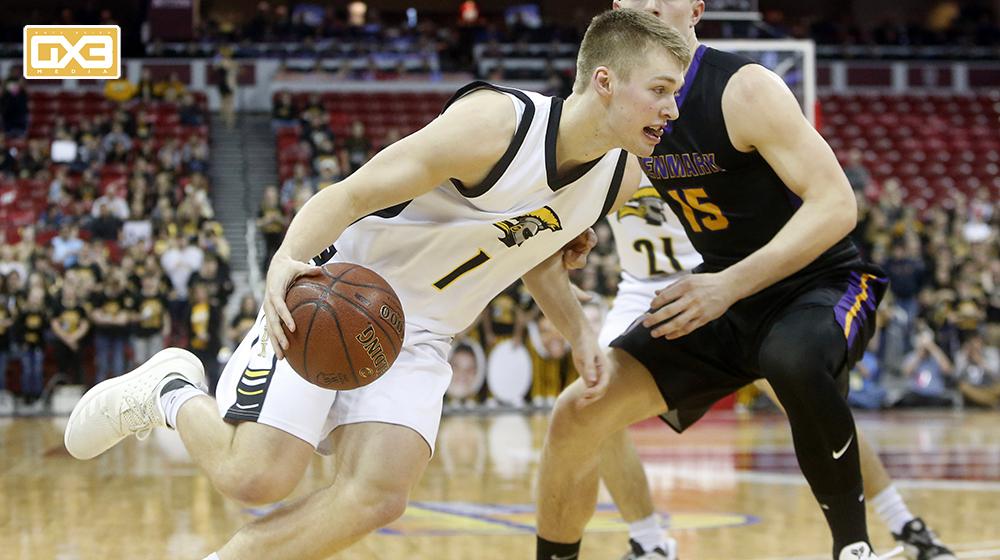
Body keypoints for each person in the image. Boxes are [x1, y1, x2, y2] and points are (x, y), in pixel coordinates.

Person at [63, 10, 690, 559]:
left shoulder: (619, 178)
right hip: (345, 290)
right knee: (255, 478)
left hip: (425, 333)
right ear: (604, 83)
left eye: (677, 92)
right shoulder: (495, 125)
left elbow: (532, 249)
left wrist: (581, 334)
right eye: (660, 90)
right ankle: (169, 389)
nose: (673, 108)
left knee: (380, 495)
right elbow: (354, 191)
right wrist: (288, 257)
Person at [534, 1, 921, 559]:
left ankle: (856, 547)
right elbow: (577, 203)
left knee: (793, 362)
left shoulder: (744, 89)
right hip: (718, 295)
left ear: (696, 6)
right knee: (579, 412)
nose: (645, 6)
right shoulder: (624, 106)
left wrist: (729, 285)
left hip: (818, 283)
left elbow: (838, 205)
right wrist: (573, 230)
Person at [597, 188, 955, 559]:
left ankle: (903, 522)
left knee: (813, 403)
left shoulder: (694, 140)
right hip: (643, 291)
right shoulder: (610, 149)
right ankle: (649, 542)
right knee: (596, 400)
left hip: (726, 280)